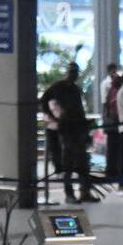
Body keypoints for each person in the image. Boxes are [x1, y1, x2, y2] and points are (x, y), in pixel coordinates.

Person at [41, 62, 97, 203]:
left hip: (78, 128)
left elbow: (79, 109)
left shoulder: (76, 89)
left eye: (75, 72)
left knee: (83, 163)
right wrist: (55, 118)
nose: (74, 75)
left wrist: (85, 125)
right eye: (72, 72)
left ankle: (85, 192)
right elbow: (44, 101)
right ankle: (69, 194)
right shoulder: (59, 87)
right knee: (68, 163)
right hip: (67, 129)